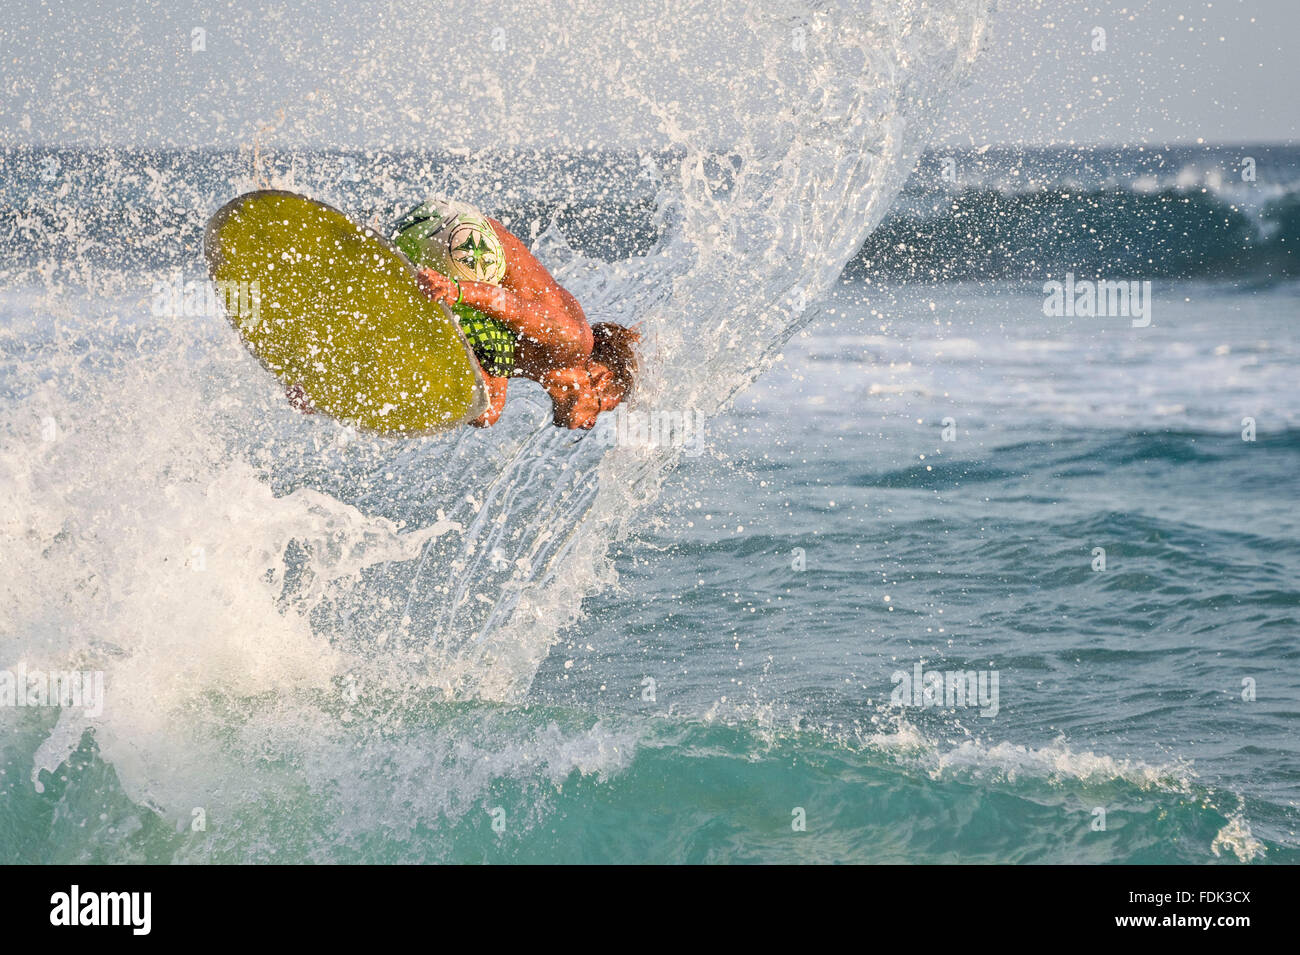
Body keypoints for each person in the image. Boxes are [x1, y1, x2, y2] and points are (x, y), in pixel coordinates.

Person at [390, 196, 640, 429]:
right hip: (468, 244)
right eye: (601, 410)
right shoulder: (572, 342)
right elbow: (515, 308)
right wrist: (455, 290)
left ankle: (399, 332)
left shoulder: (532, 363)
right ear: (602, 379)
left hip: (423, 230)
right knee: (485, 404)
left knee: (486, 410)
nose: (590, 424)